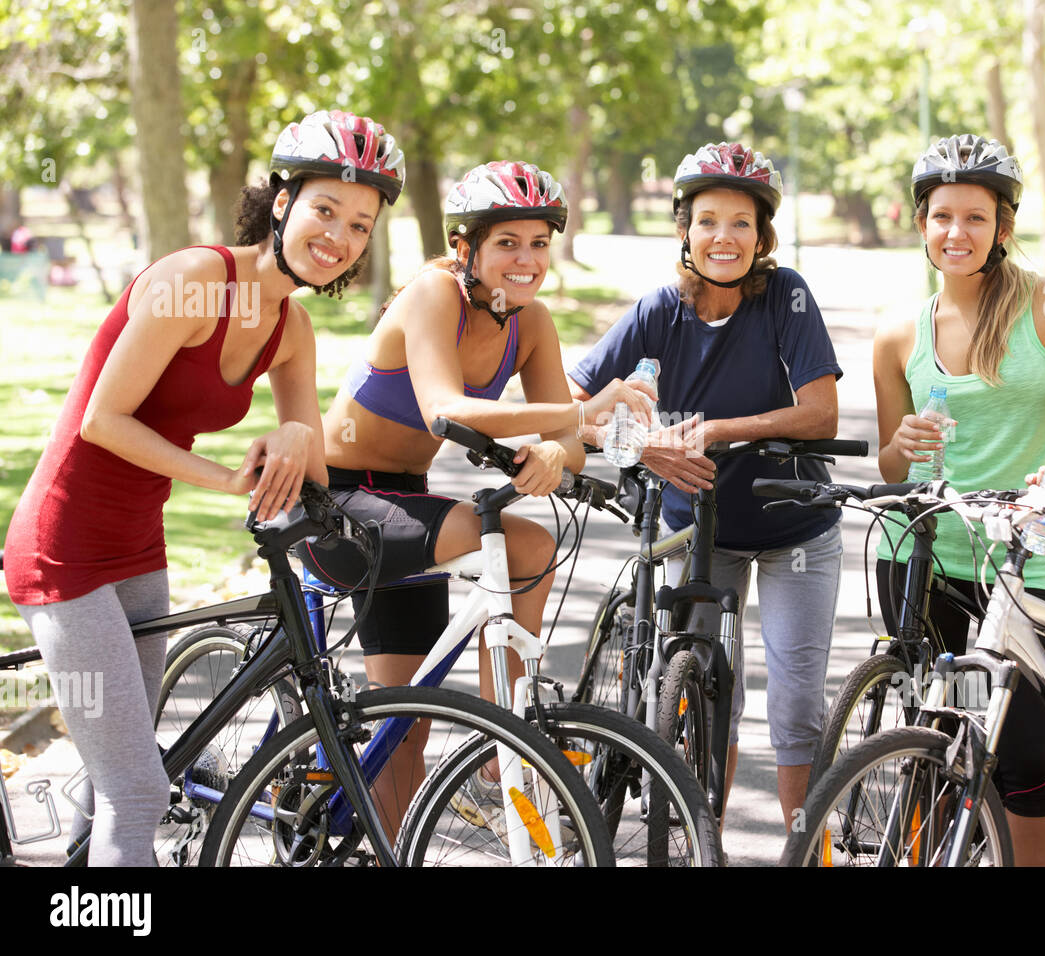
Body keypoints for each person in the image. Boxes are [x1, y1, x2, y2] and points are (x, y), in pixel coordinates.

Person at [3, 109, 403, 865]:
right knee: (140, 792)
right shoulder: (194, 281)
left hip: (136, 546)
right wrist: (227, 480)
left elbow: (311, 468)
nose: (339, 237)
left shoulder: (290, 330)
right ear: (281, 202)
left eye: (359, 225)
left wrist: (295, 435)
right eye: (325, 210)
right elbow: (102, 420)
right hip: (62, 550)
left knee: (113, 775)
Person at [299, 161, 652, 828]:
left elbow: (564, 433)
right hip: (333, 503)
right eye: (508, 243)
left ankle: (393, 841)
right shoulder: (434, 294)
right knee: (527, 541)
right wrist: (568, 422)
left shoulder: (533, 322)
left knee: (404, 730)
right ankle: (505, 736)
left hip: (407, 504)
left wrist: (556, 446)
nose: (526, 260)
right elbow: (442, 409)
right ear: (468, 248)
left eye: (540, 244)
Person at [569, 141, 843, 830]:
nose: (725, 236)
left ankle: (802, 848)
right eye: (709, 220)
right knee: (701, 699)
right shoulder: (659, 308)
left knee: (796, 706)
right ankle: (702, 843)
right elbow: (573, 411)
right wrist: (643, 445)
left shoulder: (786, 295)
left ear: (762, 235)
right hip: (701, 530)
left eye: (742, 223)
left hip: (794, 527)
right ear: (685, 231)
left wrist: (719, 429)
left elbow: (820, 412)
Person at [873, 133, 1045, 865]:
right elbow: (888, 467)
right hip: (923, 550)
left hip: (1021, 555)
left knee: (1028, 757)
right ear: (920, 223)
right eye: (942, 217)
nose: (956, 233)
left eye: (975, 218)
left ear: (1004, 226)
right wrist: (901, 446)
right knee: (935, 745)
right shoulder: (896, 331)